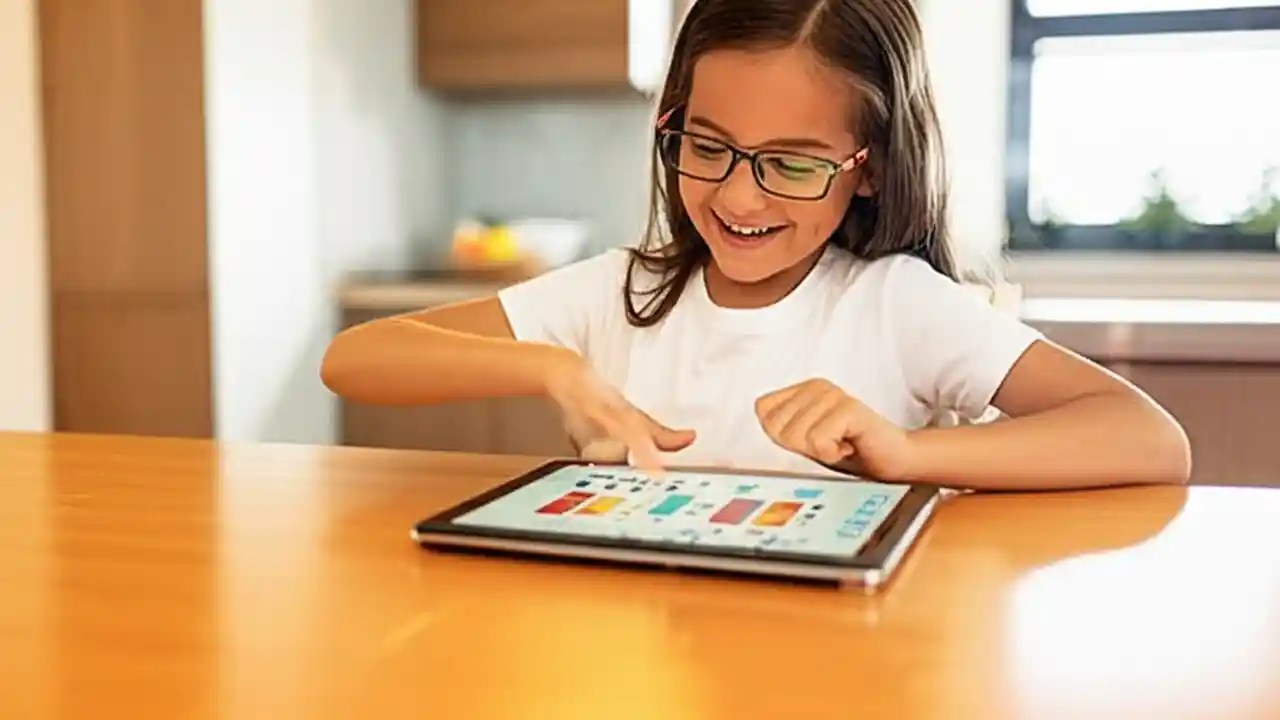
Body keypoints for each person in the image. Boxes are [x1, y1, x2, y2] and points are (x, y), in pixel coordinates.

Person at [321, 0, 1191, 491]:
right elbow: (356, 359)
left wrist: (908, 454)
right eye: (708, 147)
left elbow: (1148, 439)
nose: (738, 196)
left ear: (872, 169)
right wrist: (550, 369)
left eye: (792, 165)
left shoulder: (896, 304)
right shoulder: (621, 292)